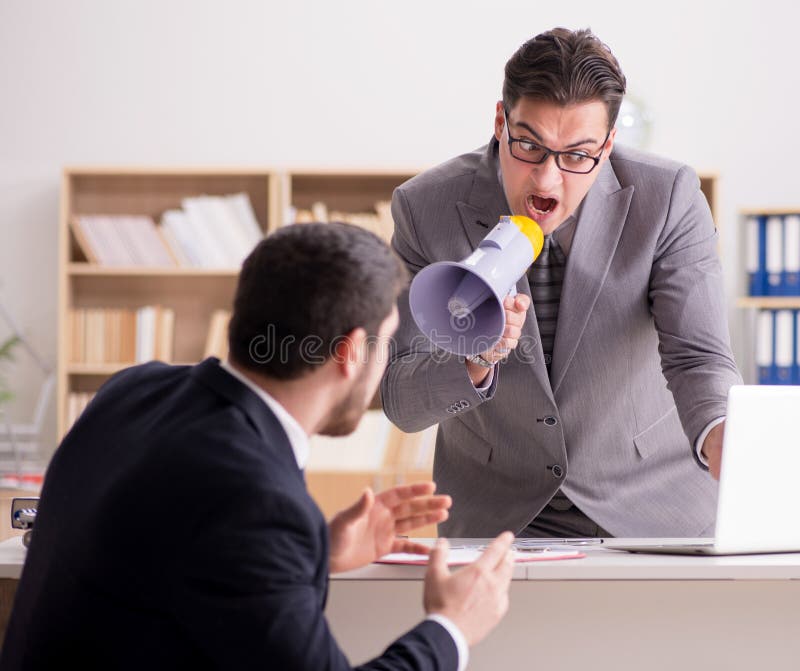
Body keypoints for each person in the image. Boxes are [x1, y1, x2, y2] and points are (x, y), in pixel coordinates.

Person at [1, 223, 514, 670]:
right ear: (351, 352)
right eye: (388, 342)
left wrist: (314, 551)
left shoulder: (133, 390)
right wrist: (451, 626)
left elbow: (172, 555)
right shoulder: (256, 502)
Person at [381, 27, 742, 539]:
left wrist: (722, 436)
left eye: (577, 155)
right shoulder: (424, 208)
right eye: (529, 145)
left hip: (651, 511)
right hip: (498, 519)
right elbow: (402, 398)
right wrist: (475, 359)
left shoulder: (668, 198)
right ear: (501, 122)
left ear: (609, 143)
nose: (547, 180)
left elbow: (698, 357)